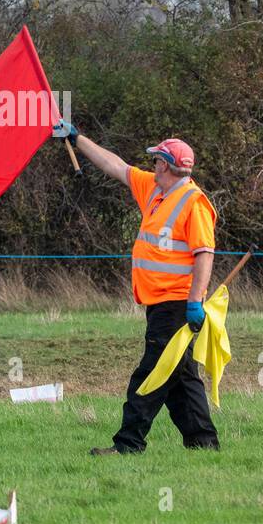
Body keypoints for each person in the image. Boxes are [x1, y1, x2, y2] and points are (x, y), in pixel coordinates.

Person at [53, 120, 220, 454]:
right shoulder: (155, 190)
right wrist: (76, 138)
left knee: (150, 375)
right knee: (181, 380)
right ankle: (204, 444)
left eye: (158, 160)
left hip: (176, 306)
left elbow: (205, 254)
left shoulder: (193, 202)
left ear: (170, 167)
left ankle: (128, 444)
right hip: (159, 304)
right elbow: (115, 166)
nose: (153, 164)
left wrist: (195, 302)